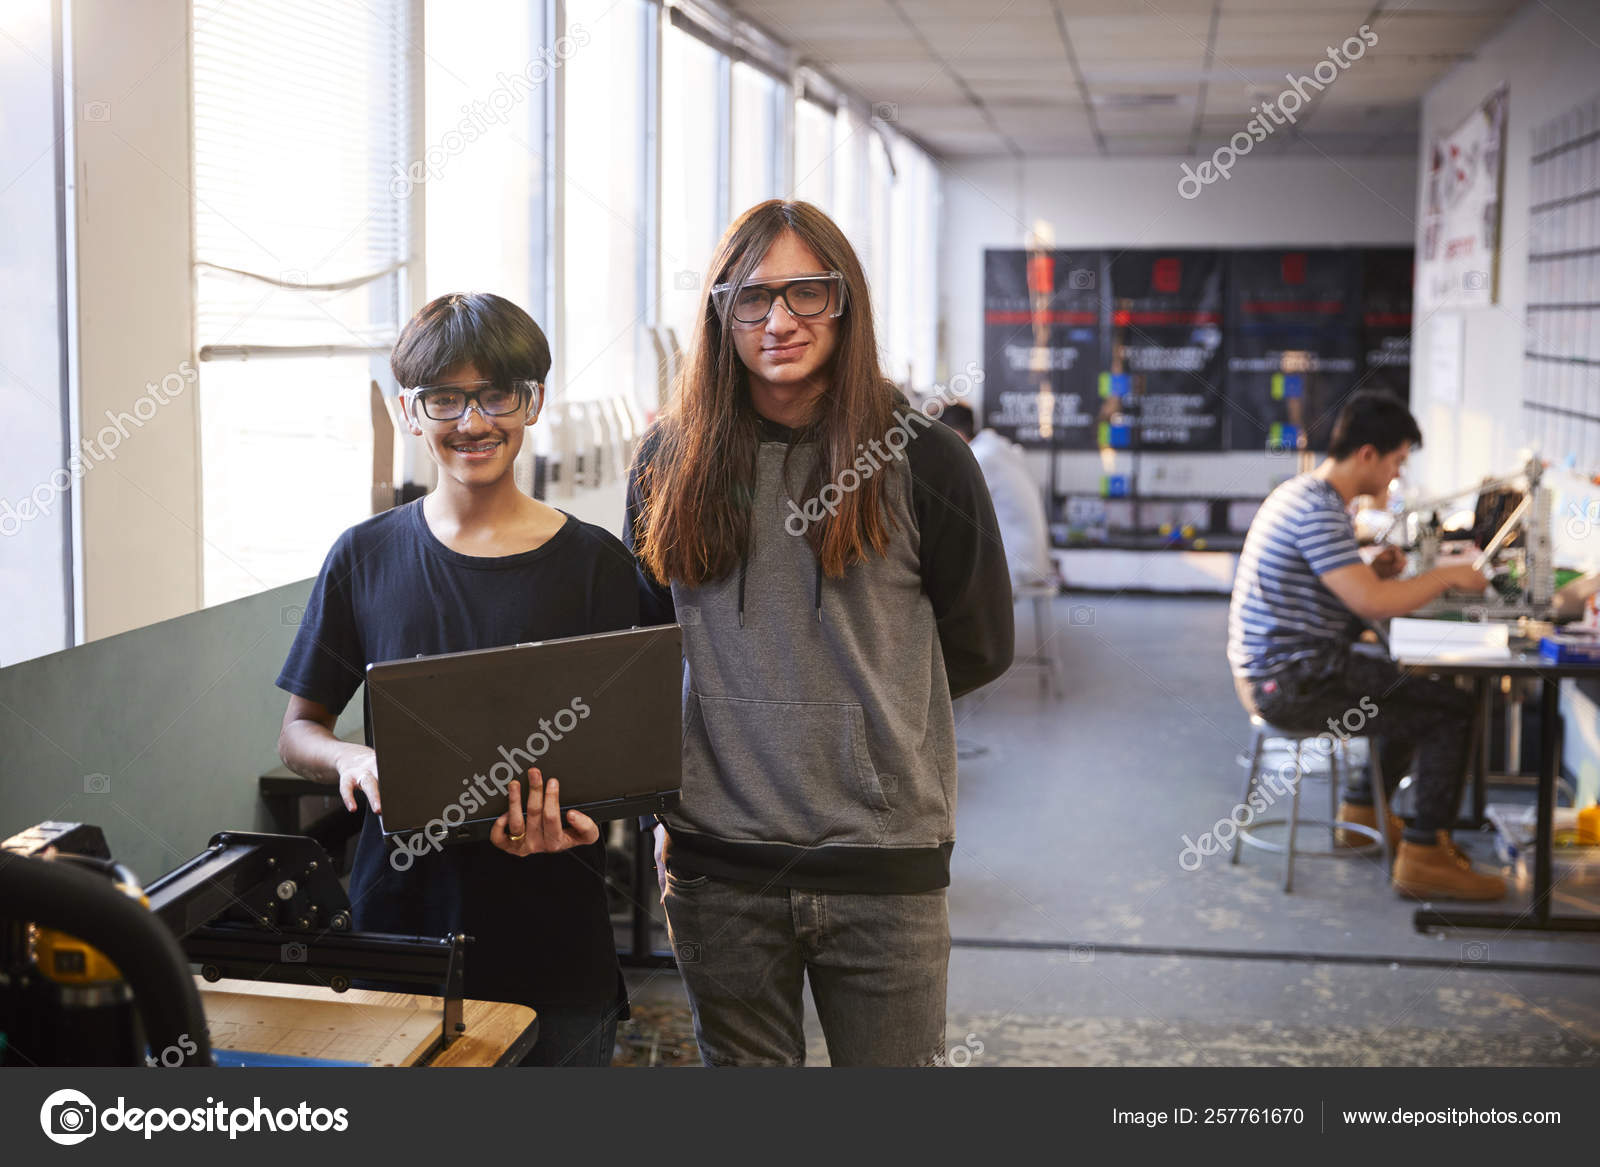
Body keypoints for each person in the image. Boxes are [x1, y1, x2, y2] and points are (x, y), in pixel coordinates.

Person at [626, 200, 1014, 1066]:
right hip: (718, 867)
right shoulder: (668, 462)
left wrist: (860, 718)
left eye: (808, 293)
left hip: (884, 865)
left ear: (846, 302)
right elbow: (648, 653)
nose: (780, 321)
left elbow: (982, 642)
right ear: (721, 310)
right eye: (754, 298)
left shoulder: (923, 457)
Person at [275, 292, 640, 1065]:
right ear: (412, 411)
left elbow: (631, 750)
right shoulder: (363, 557)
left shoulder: (597, 565)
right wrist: (352, 758)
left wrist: (593, 819)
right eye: (446, 397)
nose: (474, 422)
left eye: (497, 394)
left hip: (556, 934)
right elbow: (299, 731)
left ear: (532, 401)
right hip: (399, 925)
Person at [1227, 390, 1504, 900]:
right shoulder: (1318, 508)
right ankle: (1424, 858)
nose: (1396, 476)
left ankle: (1360, 812)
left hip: (1283, 670)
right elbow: (1373, 604)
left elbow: (1347, 587)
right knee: (1452, 710)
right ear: (1368, 454)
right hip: (1291, 681)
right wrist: (1445, 576)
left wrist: (1367, 567)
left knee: (1413, 688)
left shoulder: (1305, 495)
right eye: (1397, 461)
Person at [939, 403, 1055, 588]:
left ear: (955, 435)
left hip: (1017, 561)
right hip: (1033, 556)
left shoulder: (981, 457)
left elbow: (955, 508)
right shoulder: (996, 448)